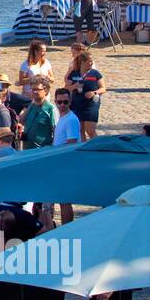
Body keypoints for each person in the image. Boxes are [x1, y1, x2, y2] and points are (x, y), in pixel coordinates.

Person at [53, 86, 81, 225]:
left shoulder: (71, 120)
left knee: (64, 200)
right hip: (60, 162)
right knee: (61, 199)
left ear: (70, 102)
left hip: (65, 163)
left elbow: (71, 143)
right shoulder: (63, 118)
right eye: (59, 102)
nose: (62, 105)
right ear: (55, 102)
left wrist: (55, 152)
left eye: (65, 102)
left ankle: (66, 228)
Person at [66, 48, 105, 140]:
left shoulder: (95, 73)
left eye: (92, 61)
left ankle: (98, 147)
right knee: (80, 130)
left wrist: (94, 92)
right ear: (82, 62)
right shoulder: (74, 73)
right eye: (89, 61)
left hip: (91, 105)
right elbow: (66, 88)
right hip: (76, 105)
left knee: (90, 130)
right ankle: (84, 149)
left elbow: (103, 88)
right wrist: (74, 86)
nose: (91, 63)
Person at [20, 79, 57, 149]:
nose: (34, 92)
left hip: (42, 153)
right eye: (33, 89)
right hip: (27, 151)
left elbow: (56, 131)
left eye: (37, 89)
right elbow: (22, 121)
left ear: (45, 91)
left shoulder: (50, 109)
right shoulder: (31, 106)